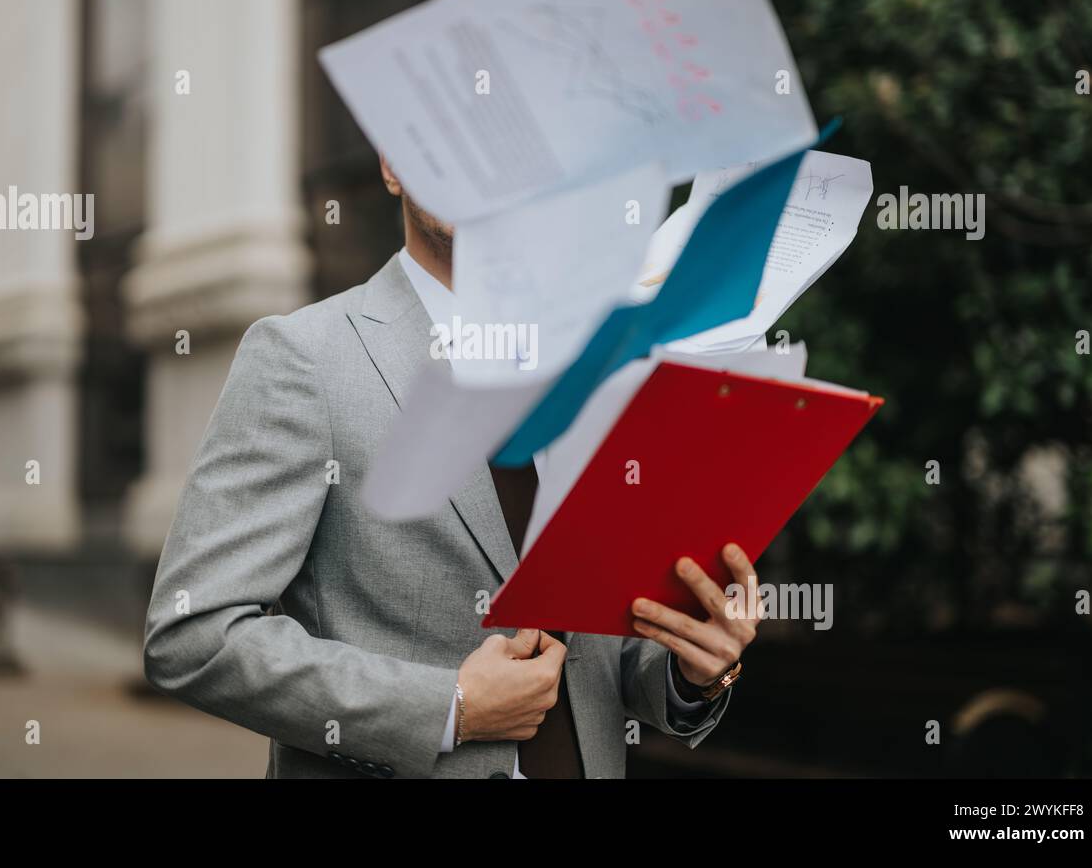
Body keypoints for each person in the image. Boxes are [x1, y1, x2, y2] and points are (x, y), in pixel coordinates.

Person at [142, 157, 761, 778]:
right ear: (389, 164)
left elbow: (603, 654)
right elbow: (194, 635)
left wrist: (693, 670)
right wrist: (448, 708)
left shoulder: (598, 362)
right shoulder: (303, 357)